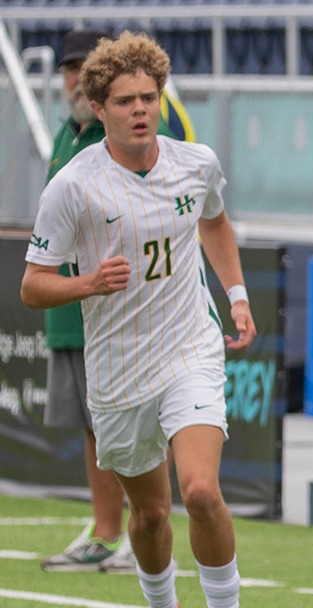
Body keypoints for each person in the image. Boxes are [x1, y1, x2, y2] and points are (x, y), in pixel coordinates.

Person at [21, 31, 260, 608]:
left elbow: (215, 222)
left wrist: (236, 295)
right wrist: (88, 283)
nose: (139, 110)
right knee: (151, 517)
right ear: (96, 105)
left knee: (203, 490)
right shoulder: (73, 187)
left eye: (148, 97)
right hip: (120, 369)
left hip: (190, 347)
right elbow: (33, 285)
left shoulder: (196, 162)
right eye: (124, 100)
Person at [36, 28, 137, 573]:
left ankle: (142, 531)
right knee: (92, 427)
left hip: (116, 310)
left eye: (87, 66)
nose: (76, 76)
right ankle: (105, 531)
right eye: (70, 67)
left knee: (128, 427)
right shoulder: (66, 134)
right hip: (69, 309)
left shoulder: (120, 132)